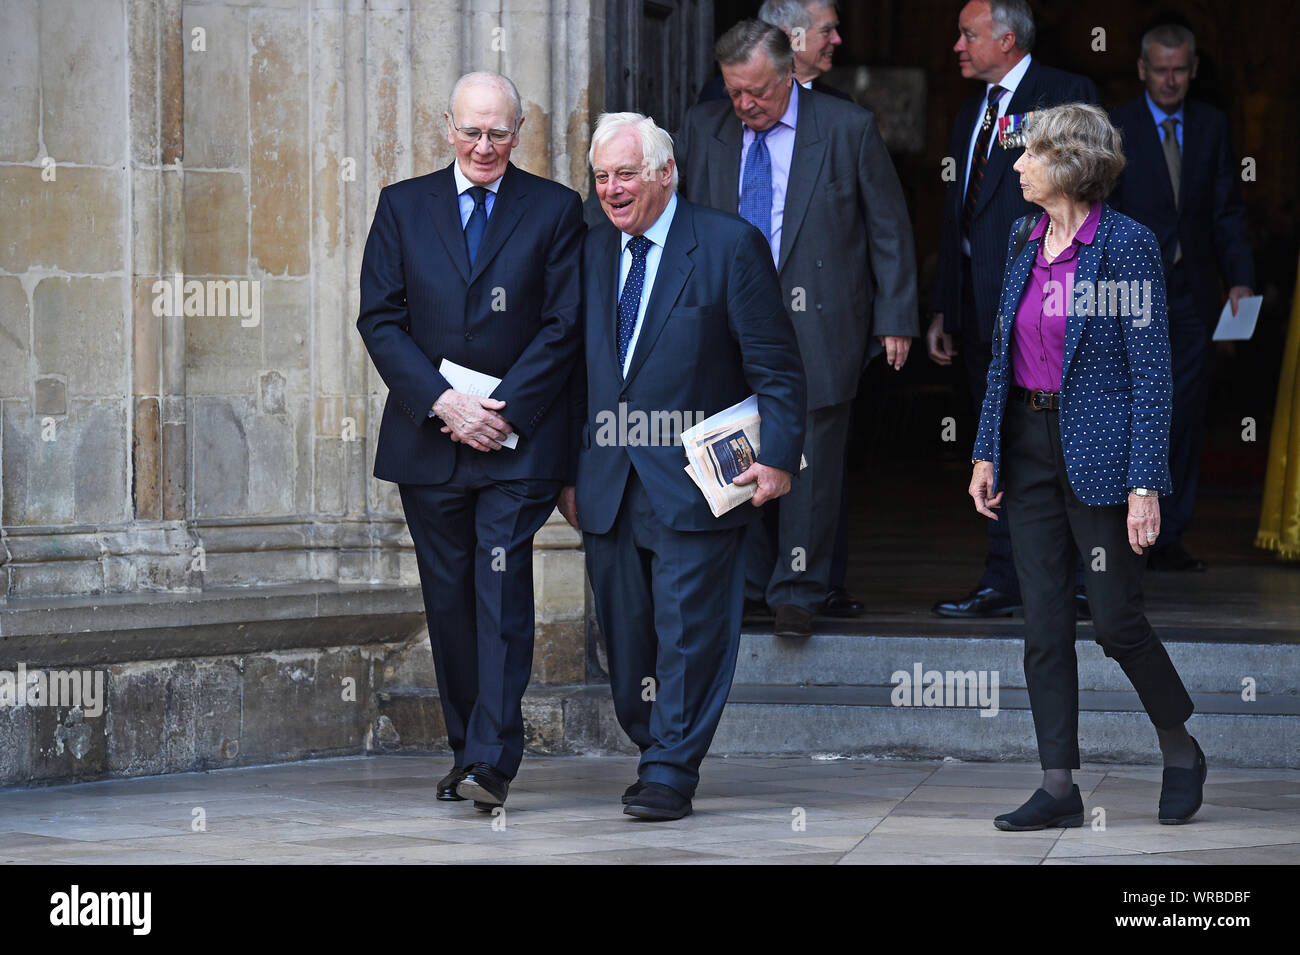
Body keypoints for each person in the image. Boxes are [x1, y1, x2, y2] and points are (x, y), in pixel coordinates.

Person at [559, 113, 805, 820]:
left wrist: (780, 456)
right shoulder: (590, 248)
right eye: (602, 176)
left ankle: (670, 766)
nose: (611, 189)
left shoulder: (728, 245)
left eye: (625, 174)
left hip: (697, 480)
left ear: (666, 173)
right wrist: (566, 474)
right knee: (628, 638)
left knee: (691, 628)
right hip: (607, 480)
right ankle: (653, 741)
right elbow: (574, 370)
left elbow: (777, 366)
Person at [969, 103, 1205, 829]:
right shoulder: (1021, 237)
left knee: (1114, 620)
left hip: (1101, 457)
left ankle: (1180, 746)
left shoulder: (1126, 246)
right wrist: (984, 447)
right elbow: (1000, 356)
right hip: (1028, 448)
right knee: (1042, 623)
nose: (1016, 166)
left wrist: (1146, 482)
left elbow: (1151, 372)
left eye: (1029, 154)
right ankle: (1059, 784)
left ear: (1068, 162)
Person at [356, 72, 584, 812]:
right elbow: (379, 319)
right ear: (446, 127)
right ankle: (465, 749)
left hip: (517, 443)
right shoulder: (401, 205)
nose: (484, 146)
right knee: (449, 599)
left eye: (499, 132)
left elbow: (563, 325)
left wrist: (504, 409)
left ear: (520, 133)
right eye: (471, 131)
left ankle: (493, 757)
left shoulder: (555, 209)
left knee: (500, 588)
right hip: (431, 438)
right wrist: (445, 402)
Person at [675, 19, 918, 638]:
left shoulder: (846, 128)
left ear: (790, 74)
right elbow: (673, 217)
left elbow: (887, 227)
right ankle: (753, 581)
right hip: (725, 323)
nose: (745, 105)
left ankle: (799, 588)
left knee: (809, 459)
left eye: (757, 91)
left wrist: (895, 315)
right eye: (734, 92)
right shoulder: (704, 129)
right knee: (732, 446)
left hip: (823, 321)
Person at [928, 0, 1097, 619]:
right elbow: (958, 220)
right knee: (992, 441)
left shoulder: (1064, 92)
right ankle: (1004, 577)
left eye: (967, 34)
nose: (957, 46)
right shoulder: (974, 110)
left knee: (1062, 440)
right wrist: (946, 307)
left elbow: (1088, 193)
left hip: (1048, 306)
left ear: (1006, 38)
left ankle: (1077, 578)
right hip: (980, 312)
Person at [1110, 23, 1255, 572]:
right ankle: (1125, 531)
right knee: (1130, 406)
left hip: (1193, 291)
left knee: (1186, 412)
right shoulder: (1118, 123)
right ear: (1142, 69)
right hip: (1131, 291)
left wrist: (1239, 278)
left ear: (1194, 70)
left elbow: (1226, 208)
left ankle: (1168, 535)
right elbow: (1105, 210)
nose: (1170, 80)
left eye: (1180, 70)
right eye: (1160, 69)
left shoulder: (1212, 125)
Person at [697, 0, 852, 105]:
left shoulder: (841, 105)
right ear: (788, 37)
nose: (837, 39)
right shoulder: (720, 98)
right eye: (826, 31)